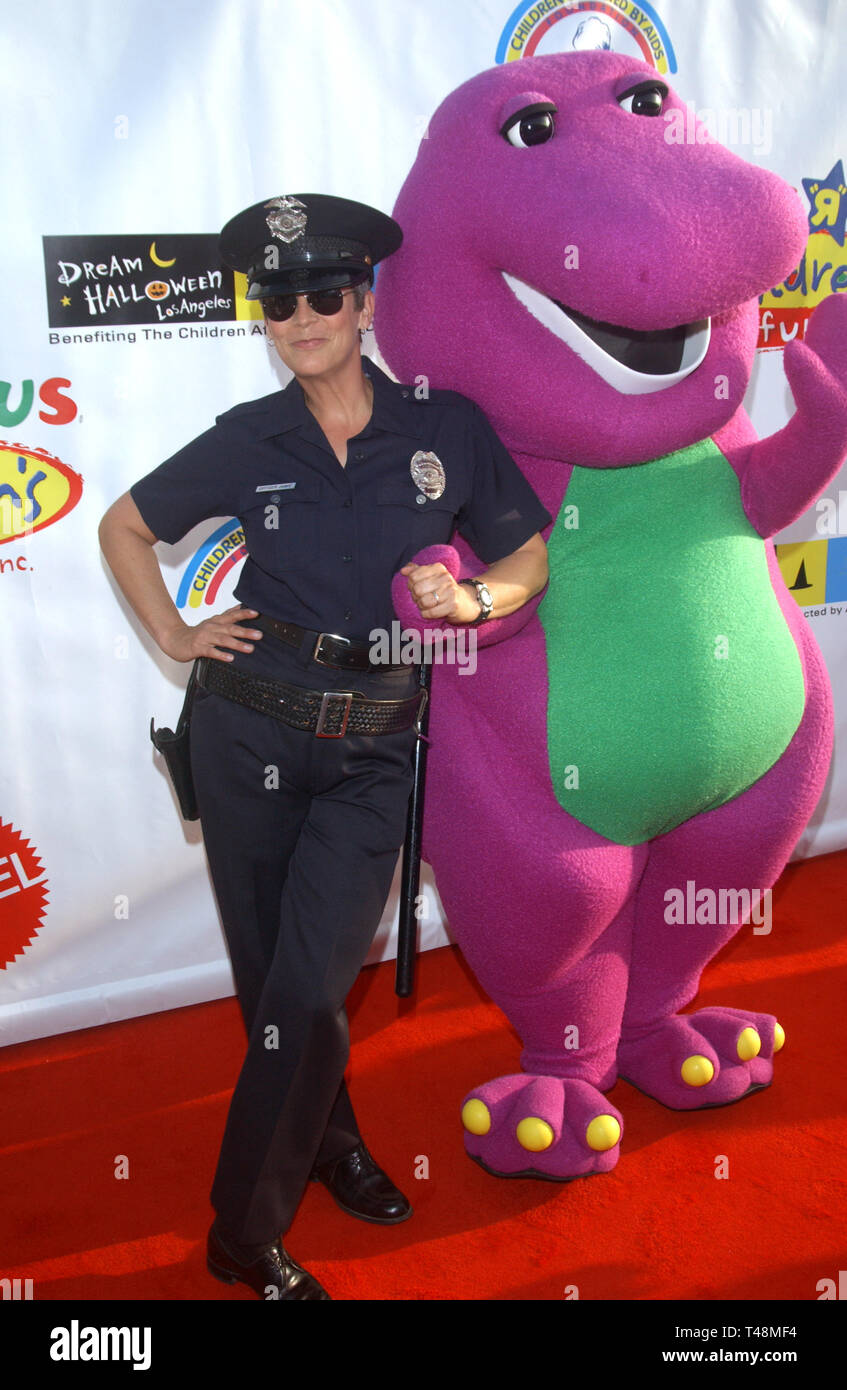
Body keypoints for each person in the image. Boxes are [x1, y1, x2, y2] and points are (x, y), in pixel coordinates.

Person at [98, 192, 552, 1301]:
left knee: (308, 989)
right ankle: (333, 1143)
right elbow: (124, 525)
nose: (302, 314)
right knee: (276, 992)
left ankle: (238, 1230)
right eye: (279, 299)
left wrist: (475, 593)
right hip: (245, 726)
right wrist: (172, 631)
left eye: (324, 293)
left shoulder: (443, 428)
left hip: (371, 750)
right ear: (266, 318)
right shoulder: (246, 439)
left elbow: (530, 555)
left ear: (362, 301)